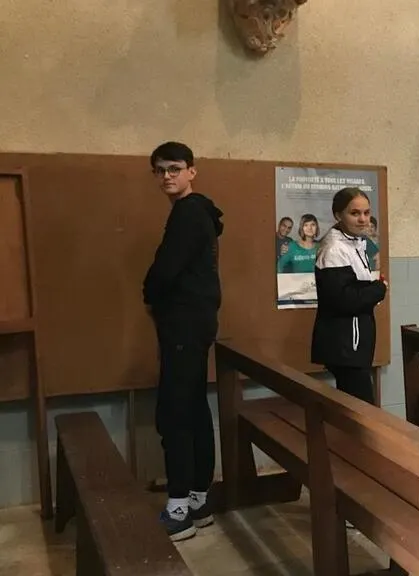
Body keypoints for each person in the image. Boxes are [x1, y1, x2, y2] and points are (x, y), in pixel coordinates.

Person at [142, 141, 224, 542]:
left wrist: (149, 293)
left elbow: (164, 271)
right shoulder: (195, 212)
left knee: (174, 413)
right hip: (194, 325)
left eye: (174, 168)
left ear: (192, 171)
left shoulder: (189, 214)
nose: (167, 176)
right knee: (191, 407)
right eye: (159, 170)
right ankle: (198, 499)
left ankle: (179, 508)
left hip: (185, 327)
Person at [311, 187, 388, 406]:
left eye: (366, 213)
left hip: (354, 343)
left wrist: (372, 288)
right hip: (344, 345)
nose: (363, 219)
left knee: (357, 407)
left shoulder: (354, 241)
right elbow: (345, 299)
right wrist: (379, 289)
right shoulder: (334, 248)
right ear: (338, 215)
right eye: (355, 213)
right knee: (362, 410)